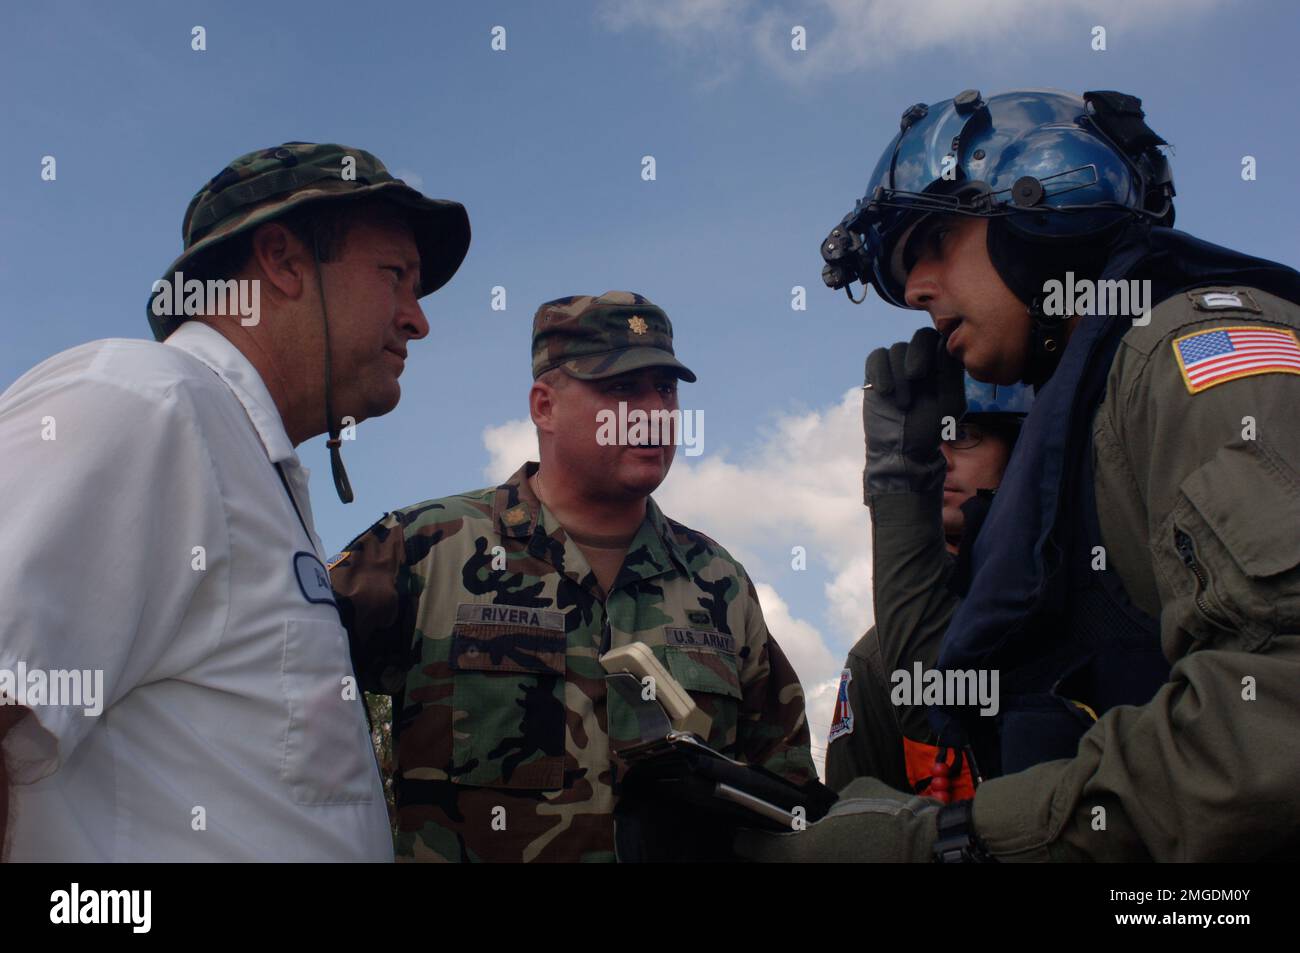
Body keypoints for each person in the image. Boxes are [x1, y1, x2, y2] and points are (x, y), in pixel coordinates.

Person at [742, 88, 1300, 861]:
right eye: (903, 270)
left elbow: (1268, 732)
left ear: (1045, 204)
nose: (914, 290)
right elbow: (947, 703)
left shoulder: (1197, 352)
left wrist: (949, 844)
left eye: (934, 240)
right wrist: (901, 485)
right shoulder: (1084, 418)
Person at [0, 142, 470, 861]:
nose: (418, 318)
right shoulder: (144, 404)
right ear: (282, 262)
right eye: (396, 275)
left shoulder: (241, 455)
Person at [330, 290, 815, 862]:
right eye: (620, 390)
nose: (654, 413)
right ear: (544, 406)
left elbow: (790, 800)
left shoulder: (718, 580)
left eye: (664, 390)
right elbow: (275, 706)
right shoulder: (423, 548)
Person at [824, 374, 1029, 797]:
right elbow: (858, 826)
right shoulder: (875, 661)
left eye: (965, 436)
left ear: (1020, 446)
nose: (939, 460)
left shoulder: (1087, 604)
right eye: (928, 440)